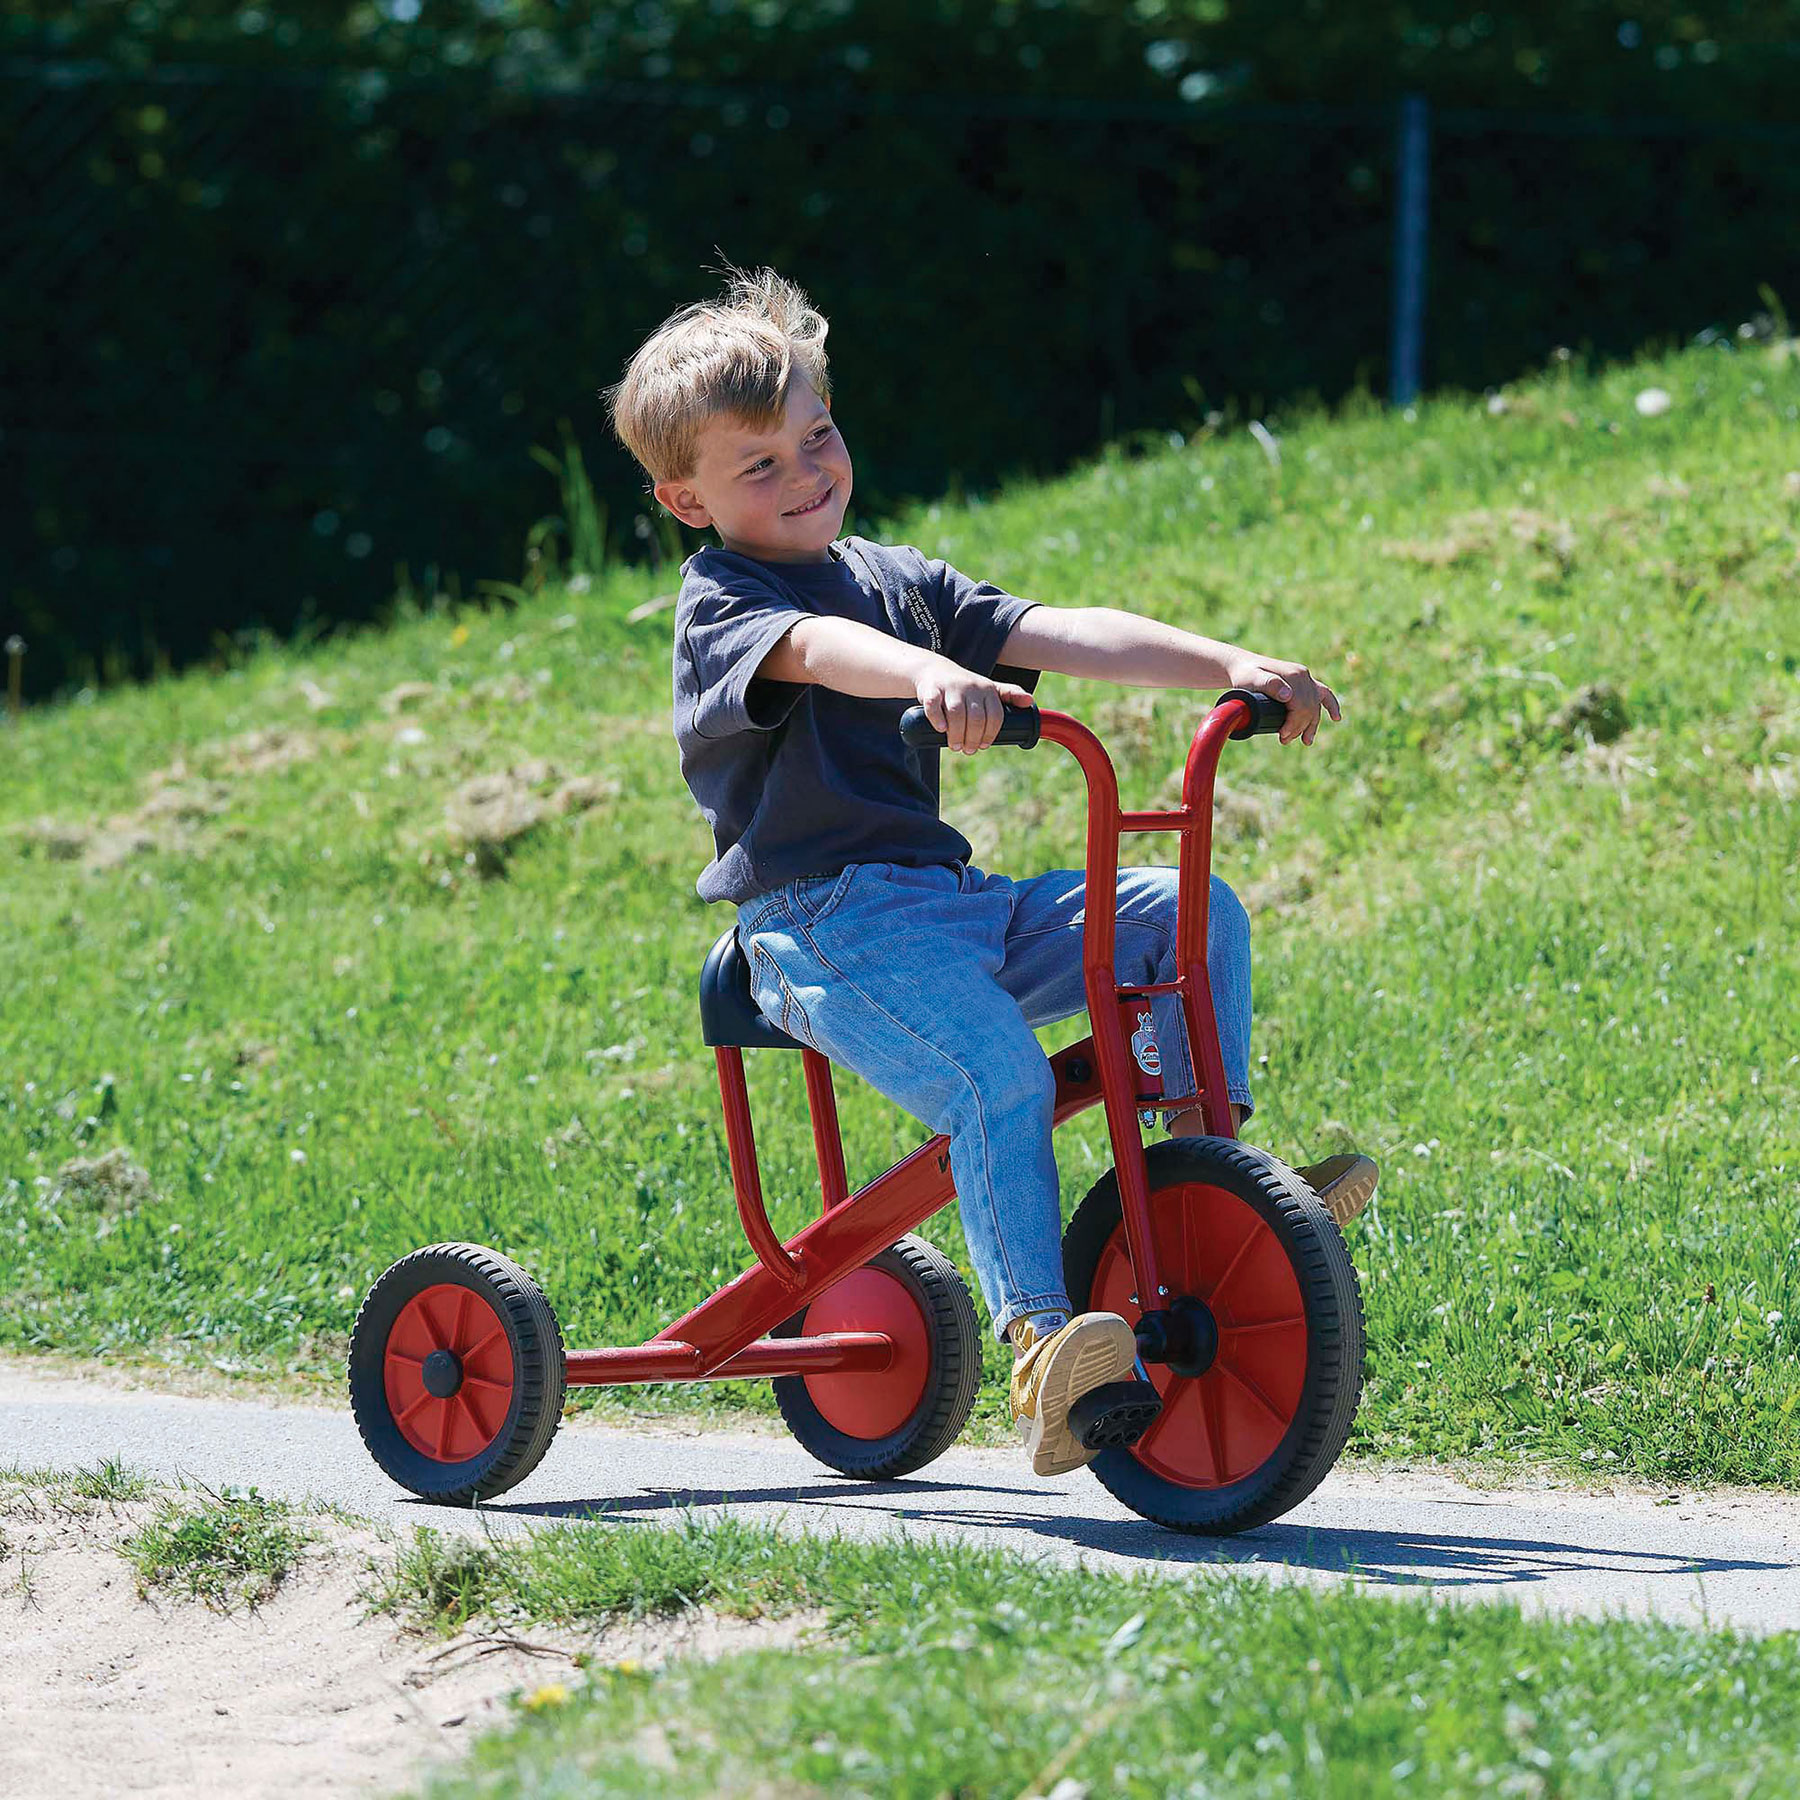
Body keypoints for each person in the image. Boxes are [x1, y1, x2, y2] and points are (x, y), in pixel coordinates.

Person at [604, 266, 1377, 1479]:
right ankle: (1040, 1339)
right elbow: (812, 648)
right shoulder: (725, 600)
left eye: (819, 438)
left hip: (952, 910)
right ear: (684, 499)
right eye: (762, 467)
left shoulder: (895, 577)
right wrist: (920, 676)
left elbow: (1051, 627)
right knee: (997, 1074)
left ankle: (1204, 1181)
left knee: (1184, 912)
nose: (807, 475)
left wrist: (1227, 662)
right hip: (821, 933)